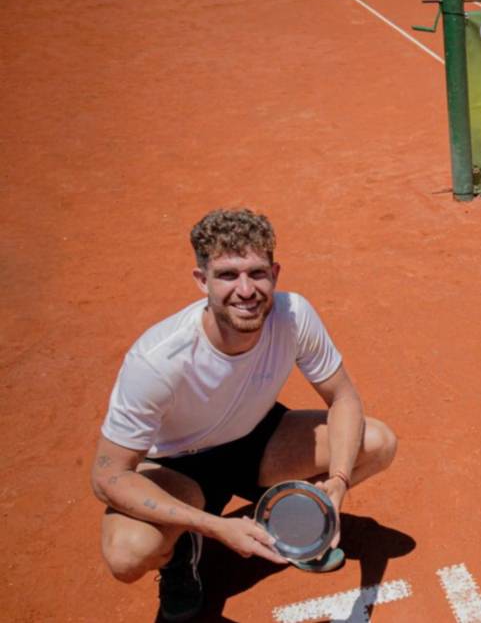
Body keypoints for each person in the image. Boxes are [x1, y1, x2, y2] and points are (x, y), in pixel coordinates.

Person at [91, 209, 397, 621]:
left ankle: (287, 528)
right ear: (202, 281)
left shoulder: (293, 315)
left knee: (377, 443)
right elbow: (108, 477)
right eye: (228, 275)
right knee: (128, 555)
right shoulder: (158, 360)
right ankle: (181, 555)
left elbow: (344, 399)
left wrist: (338, 483)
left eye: (257, 273)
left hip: (257, 440)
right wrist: (212, 527)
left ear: (275, 273)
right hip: (177, 468)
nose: (246, 290)